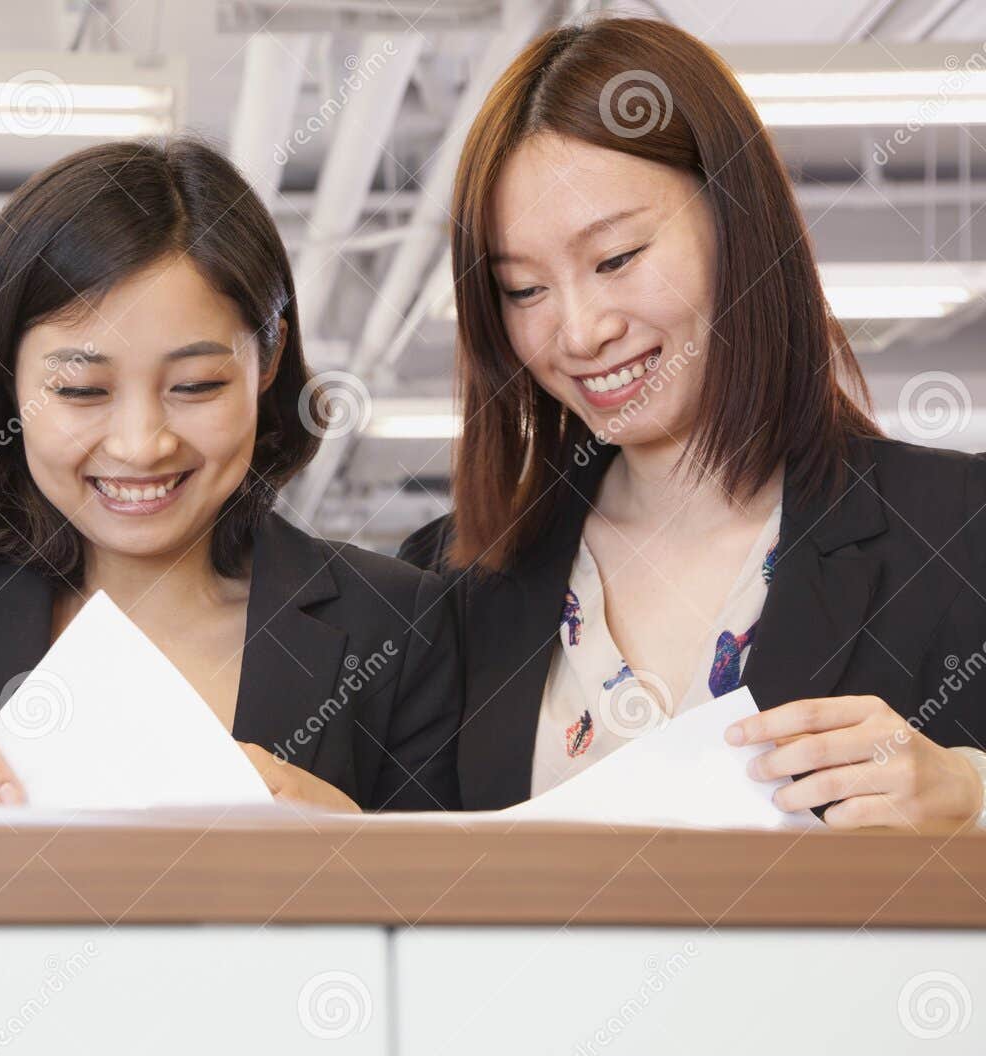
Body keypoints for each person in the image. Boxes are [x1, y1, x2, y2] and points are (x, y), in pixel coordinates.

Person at [400, 16, 986, 830]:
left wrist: (973, 798)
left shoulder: (959, 533)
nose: (578, 331)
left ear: (736, 220)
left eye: (616, 259)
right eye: (524, 289)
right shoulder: (448, 580)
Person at [0, 139, 457, 813]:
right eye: (81, 389)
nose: (141, 446)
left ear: (269, 359)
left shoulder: (396, 625)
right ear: (5, 375)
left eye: (196, 385)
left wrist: (365, 860)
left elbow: (463, 905)